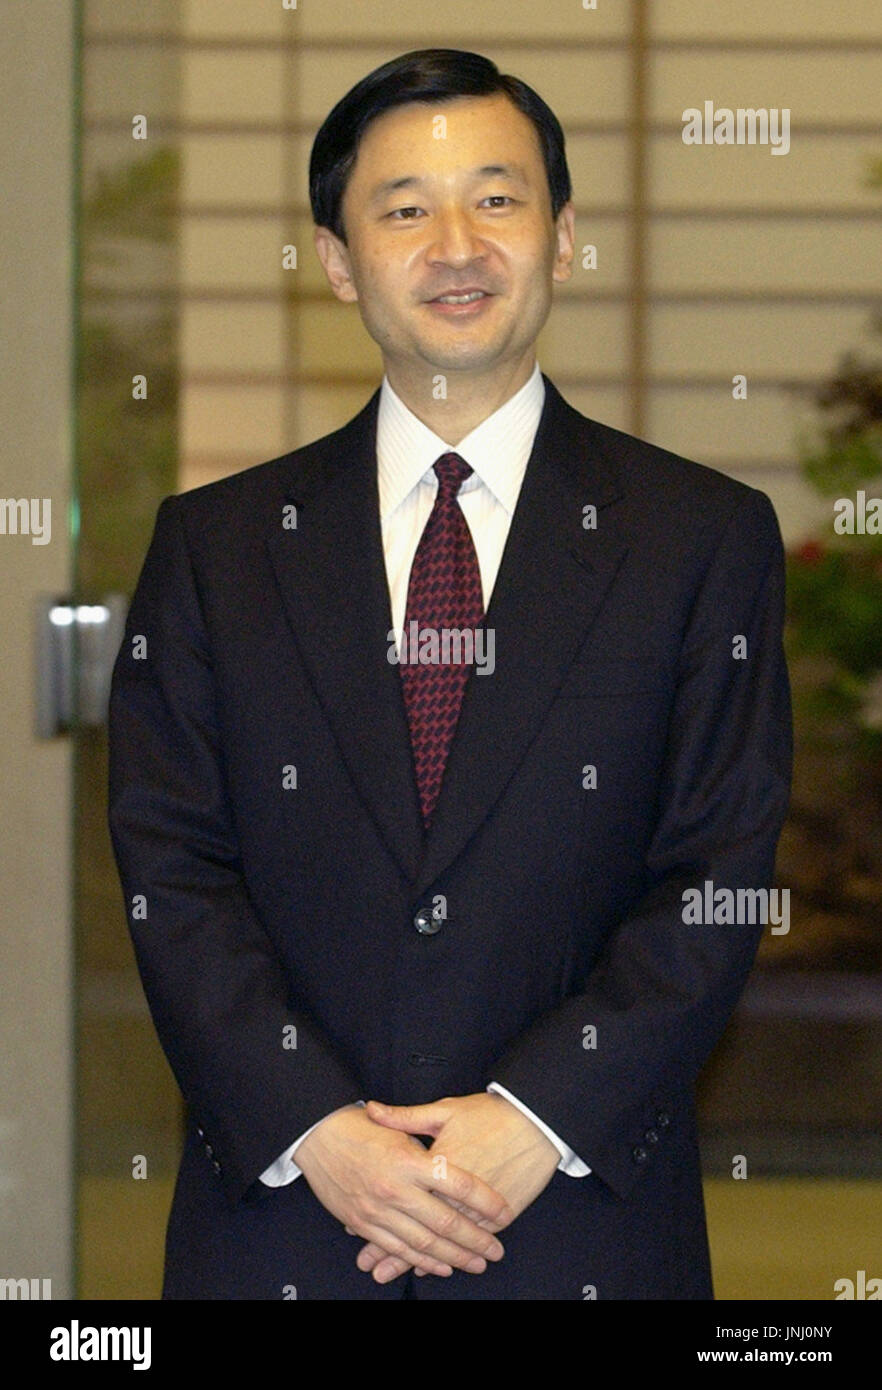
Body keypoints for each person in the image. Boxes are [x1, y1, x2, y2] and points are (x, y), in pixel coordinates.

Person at [108, 48, 792, 1300]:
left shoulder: (700, 537)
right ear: (336, 259)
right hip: (286, 1219)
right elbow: (172, 868)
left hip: (579, 1214)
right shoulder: (215, 549)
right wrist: (320, 1127)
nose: (457, 244)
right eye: (404, 209)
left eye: (499, 197)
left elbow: (720, 874)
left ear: (565, 236)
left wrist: (534, 1115)